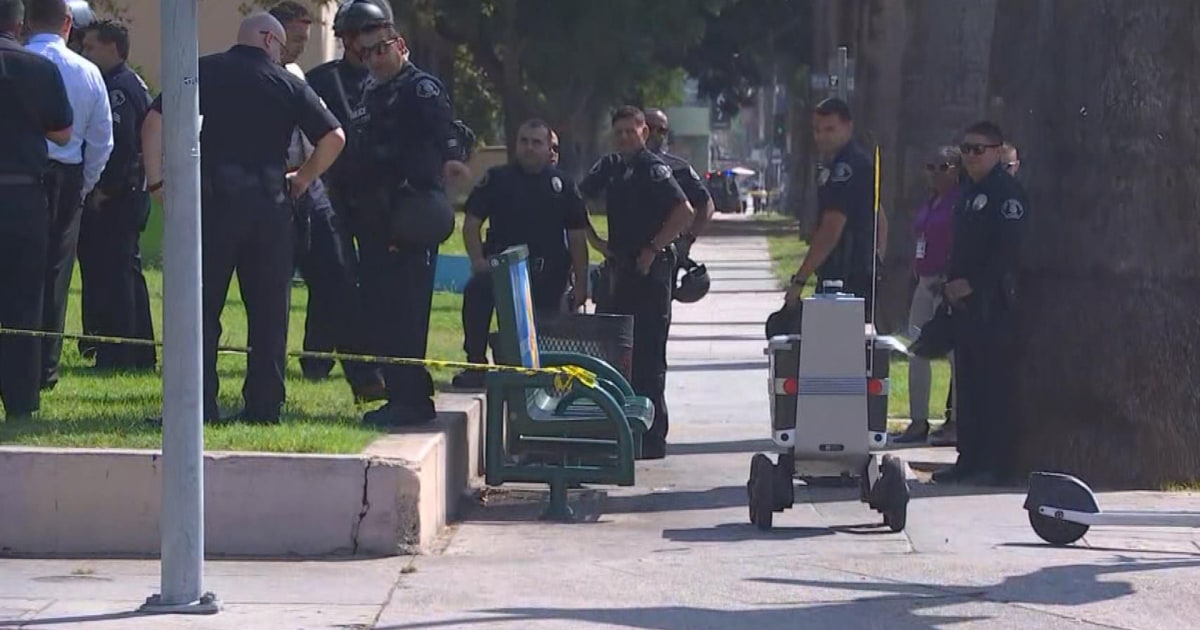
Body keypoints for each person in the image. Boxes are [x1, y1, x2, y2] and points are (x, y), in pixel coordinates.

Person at [142, 12, 346, 423]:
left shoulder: (201, 71)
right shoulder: (289, 83)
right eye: (282, 45)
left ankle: (196, 405)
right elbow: (334, 137)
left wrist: (157, 183)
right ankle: (264, 406)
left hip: (211, 205)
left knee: (199, 311)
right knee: (269, 314)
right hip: (269, 208)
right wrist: (303, 179)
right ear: (269, 39)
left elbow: (152, 122)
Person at [351, 18, 471, 426]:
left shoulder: (420, 88)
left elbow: (446, 132)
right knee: (382, 311)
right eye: (365, 52)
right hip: (377, 215)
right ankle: (399, 393)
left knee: (406, 312)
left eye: (379, 49)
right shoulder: (371, 90)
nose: (373, 59)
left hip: (410, 213)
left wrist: (452, 162)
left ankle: (412, 400)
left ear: (400, 45)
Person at [269, 1, 386, 403]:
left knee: (339, 279)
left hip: (310, 187)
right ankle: (269, 385)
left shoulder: (297, 75)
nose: (300, 46)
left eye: (305, 39)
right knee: (271, 291)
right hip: (269, 189)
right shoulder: (252, 75)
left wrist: (308, 178)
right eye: (295, 38)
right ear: (270, 35)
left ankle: (365, 377)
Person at [579, 106, 695, 459]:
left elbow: (684, 212)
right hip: (619, 272)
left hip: (650, 274)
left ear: (645, 132)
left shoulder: (653, 169)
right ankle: (620, 429)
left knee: (648, 357)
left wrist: (653, 248)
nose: (625, 138)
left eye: (632, 131)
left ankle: (652, 438)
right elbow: (575, 199)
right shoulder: (611, 167)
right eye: (619, 133)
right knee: (615, 355)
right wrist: (595, 242)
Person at [451, 119, 590, 389]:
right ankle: (476, 365)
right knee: (476, 292)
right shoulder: (497, 179)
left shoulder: (563, 184)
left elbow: (577, 238)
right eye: (524, 141)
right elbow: (471, 223)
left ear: (549, 148)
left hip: (548, 274)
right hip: (501, 271)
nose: (529, 148)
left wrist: (582, 284)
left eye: (536, 143)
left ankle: (545, 377)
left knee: (546, 338)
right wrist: (477, 260)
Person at [303, 0, 392, 396]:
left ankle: (376, 360)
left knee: (374, 280)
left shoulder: (392, 81)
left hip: (376, 197)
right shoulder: (321, 80)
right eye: (359, 36)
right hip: (331, 193)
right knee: (333, 275)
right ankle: (317, 358)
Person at [932, 121, 1029, 486]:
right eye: (966, 149)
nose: (971, 156)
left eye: (979, 149)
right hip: (965, 306)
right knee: (969, 386)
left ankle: (996, 463)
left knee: (993, 386)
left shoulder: (1006, 193)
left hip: (994, 303)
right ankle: (969, 458)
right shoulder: (968, 192)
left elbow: (1009, 251)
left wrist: (973, 284)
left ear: (997, 152)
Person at [24, 0, 113, 392]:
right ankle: (46, 367)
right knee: (56, 273)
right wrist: (84, 184)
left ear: (27, 22)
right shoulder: (87, 71)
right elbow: (102, 139)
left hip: (17, 173)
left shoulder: (16, 60)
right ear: (67, 24)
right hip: (66, 176)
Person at [0, 0, 73, 421]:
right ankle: (21, 398)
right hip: (23, 195)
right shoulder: (39, 69)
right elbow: (63, 133)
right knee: (25, 300)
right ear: (20, 24)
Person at [75, 18, 155, 372]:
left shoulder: (119, 89)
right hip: (126, 194)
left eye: (90, 47)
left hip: (118, 197)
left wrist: (104, 189)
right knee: (123, 273)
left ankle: (119, 353)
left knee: (115, 276)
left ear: (112, 48)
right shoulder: (123, 82)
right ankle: (134, 352)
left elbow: (121, 148)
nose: (85, 53)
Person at [784, 98, 885, 315]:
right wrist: (876, 259)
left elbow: (831, 228)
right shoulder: (855, 162)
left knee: (834, 336)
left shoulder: (845, 169)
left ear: (848, 127)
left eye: (830, 129)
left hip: (844, 276)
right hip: (858, 272)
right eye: (817, 130)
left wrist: (800, 279)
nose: (822, 136)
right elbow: (879, 215)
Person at [893, 146, 961, 444]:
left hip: (945, 283)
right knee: (917, 350)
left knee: (953, 354)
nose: (935, 173)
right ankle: (918, 421)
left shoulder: (960, 201)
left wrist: (948, 277)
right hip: (924, 281)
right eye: (930, 167)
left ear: (957, 169)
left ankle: (956, 421)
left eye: (943, 167)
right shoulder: (931, 201)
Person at [644, 107, 715, 258]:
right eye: (649, 127)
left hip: (664, 253)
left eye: (661, 130)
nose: (655, 134)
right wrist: (596, 241)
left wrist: (689, 238)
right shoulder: (619, 165)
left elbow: (706, 204)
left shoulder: (679, 168)